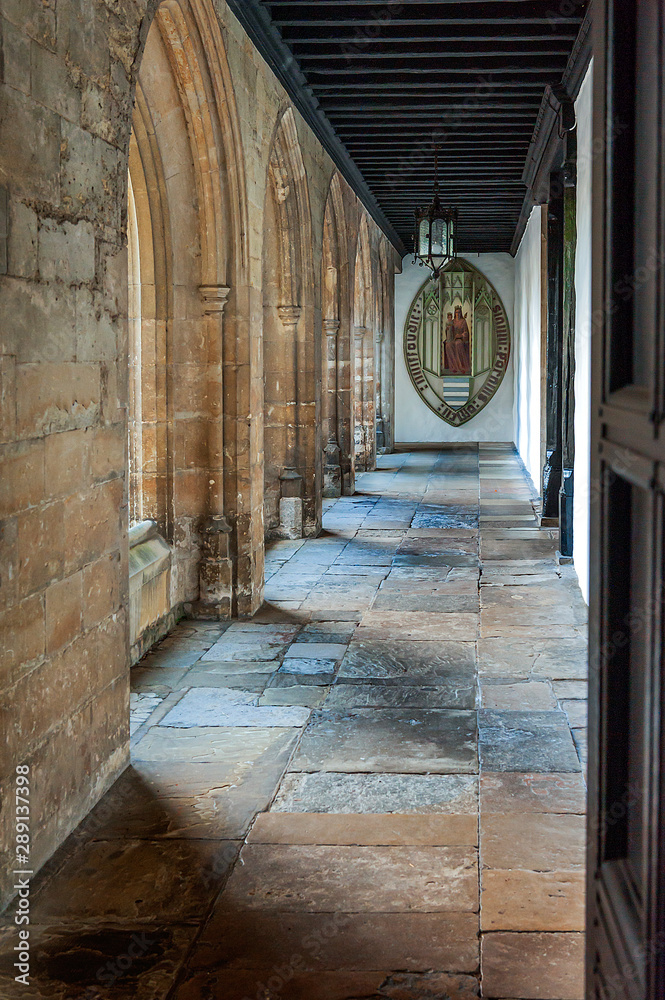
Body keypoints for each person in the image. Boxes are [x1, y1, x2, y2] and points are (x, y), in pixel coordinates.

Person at [444, 305, 471, 374]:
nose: (457, 314)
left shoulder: (463, 321)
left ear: (460, 313)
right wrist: (447, 330)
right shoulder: (452, 321)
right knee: (448, 346)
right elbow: (449, 330)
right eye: (456, 312)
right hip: (453, 338)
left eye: (459, 312)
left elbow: (466, 332)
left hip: (460, 339)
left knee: (458, 344)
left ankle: (462, 367)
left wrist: (461, 335)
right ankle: (453, 367)